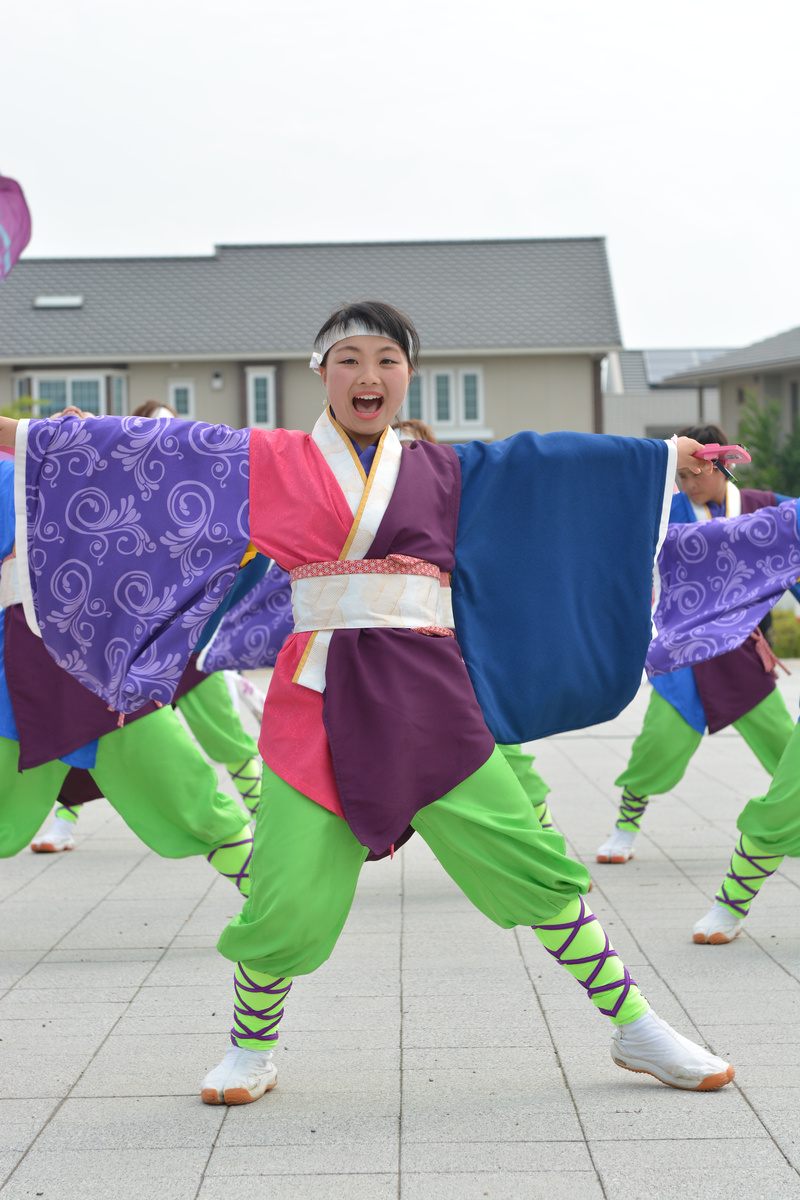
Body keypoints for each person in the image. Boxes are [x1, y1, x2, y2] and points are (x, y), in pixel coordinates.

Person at [0, 300, 736, 1104]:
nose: (368, 375)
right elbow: (147, 449)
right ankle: (252, 1047)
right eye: (348, 358)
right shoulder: (269, 458)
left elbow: (548, 464)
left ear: (406, 375)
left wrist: (663, 456)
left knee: (528, 856)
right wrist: (32, 437)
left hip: (430, 697)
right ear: (322, 373)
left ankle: (635, 1024)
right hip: (315, 697)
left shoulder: (445, 472)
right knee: (286, 889)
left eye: (387, 358)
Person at [0, 447, 254, 896]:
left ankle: (276, 909)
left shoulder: (84, 474)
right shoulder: (16, 475)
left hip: (108, 671)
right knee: (193, 792)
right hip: (22, 681)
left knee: (193, 789)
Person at [597, 423, 795, 865]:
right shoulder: (664, 512)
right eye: (681, 476)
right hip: (683, 654)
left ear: (721, 466)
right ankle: (625, 828)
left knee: (787, 749)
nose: (687, 484)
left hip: (743, 653)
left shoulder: (763, 507)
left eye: (694, 474)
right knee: (656, 747)